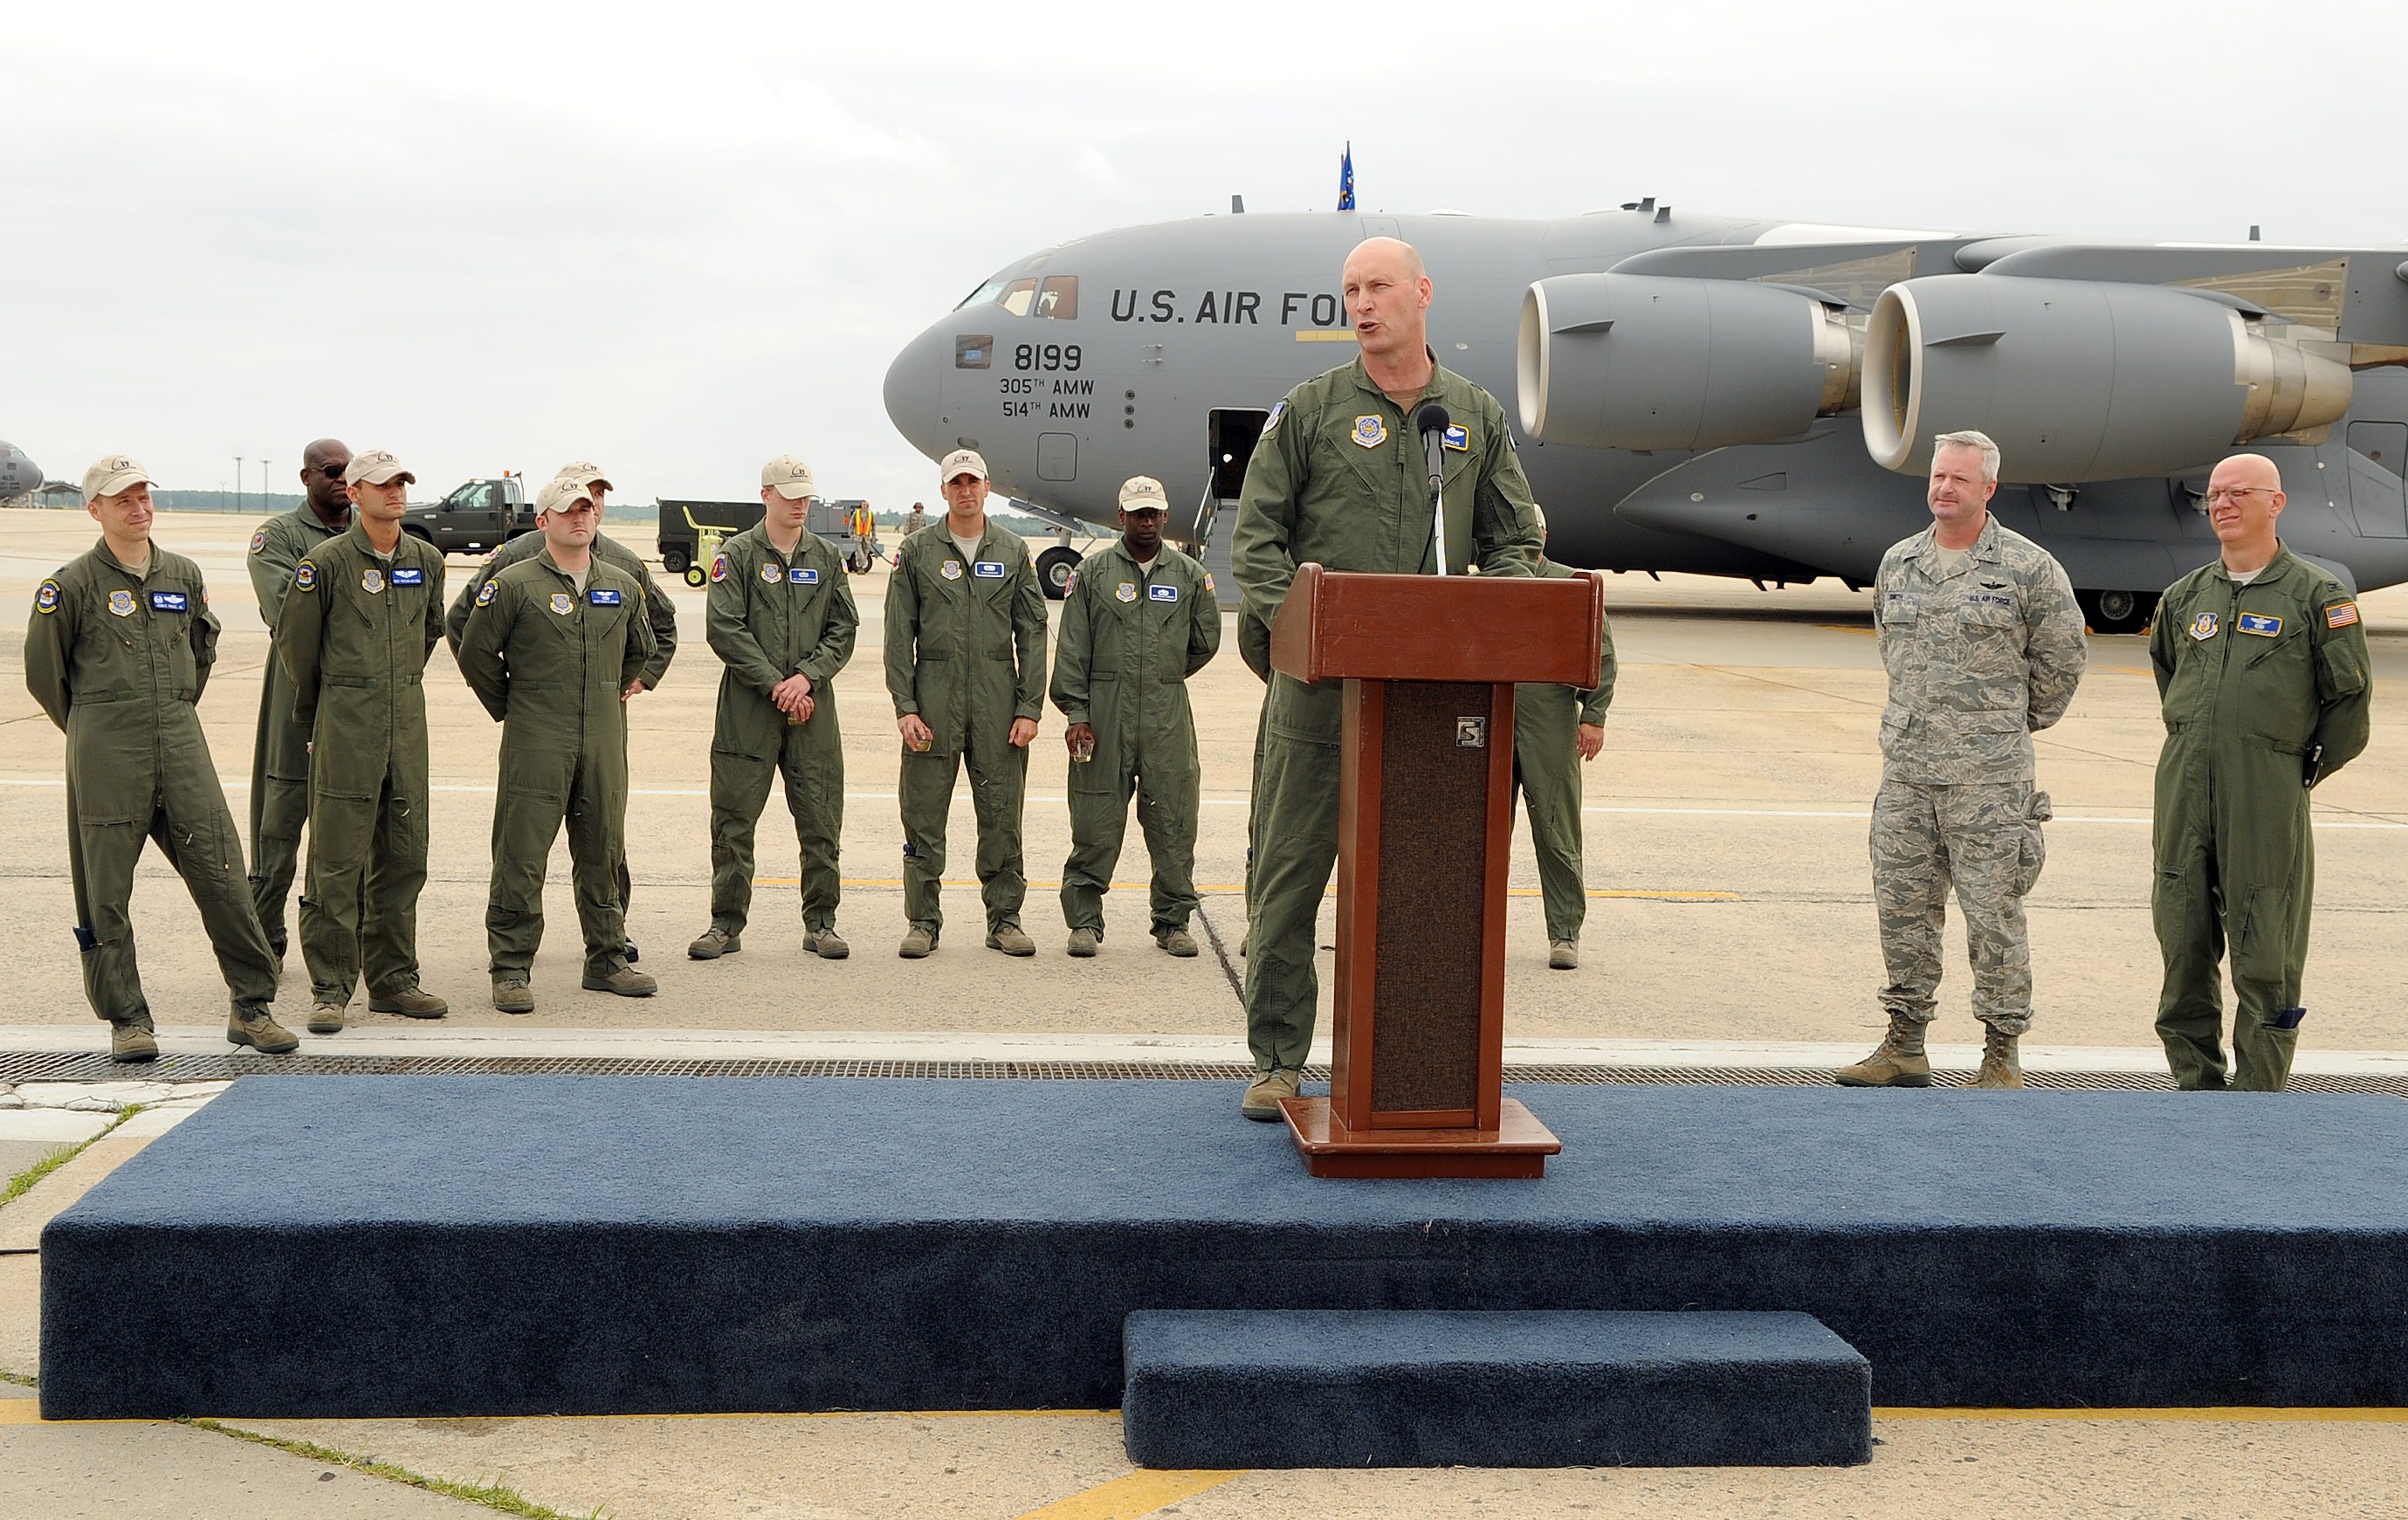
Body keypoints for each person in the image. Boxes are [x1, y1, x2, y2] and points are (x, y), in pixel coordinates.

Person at [1228, 236, 1545, 1120]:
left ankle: (1414, 1065)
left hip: (1428, 709)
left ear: (1422, 293)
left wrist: (1482, 622)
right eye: (1348, 291)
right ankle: (1279, 1062)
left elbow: (1514, 541)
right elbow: (1255, 544)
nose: (1361, 304)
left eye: (1377, 287)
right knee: (1285, 885)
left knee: (1423, 891)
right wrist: (1294, 634)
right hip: (1319, 703)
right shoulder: (1311, 410)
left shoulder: (1471, 414)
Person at [25, 456, 298, 1061]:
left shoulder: (182, 573)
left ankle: (252, 1005)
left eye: (144, 496)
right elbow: (45, 675)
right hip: (104, 746)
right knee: (105, 892)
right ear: (94, 509)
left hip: (178, 737)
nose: (138, 508)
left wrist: (170, 708)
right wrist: (96, 724)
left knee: (223, 875)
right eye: (123, 499)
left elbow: (203, 645)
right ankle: (127, 1019)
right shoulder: (67, 586)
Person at [1839, 430, 2086, 1090]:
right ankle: (1904, 1043)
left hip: (1989, 781)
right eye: (1938, 476)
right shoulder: (1900, 562)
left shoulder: (2027, 566)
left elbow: (2063, 661)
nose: (1944, 488)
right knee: (1902, 909)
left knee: (1993, 915)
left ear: (1988, 490)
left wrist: (2000, 727)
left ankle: (2001, 1052)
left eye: (1959, 479)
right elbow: (1891, 647)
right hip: (1908, 773)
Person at [2150, 452, 2372, 1091]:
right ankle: (2195, 1084)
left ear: (2276, 503)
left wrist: (2288, 769)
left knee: (2266, 950)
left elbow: (2349, 708)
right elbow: (2172, 677)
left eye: (2238, 492)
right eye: (2215, 494)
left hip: (2267, 795)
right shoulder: (2185, 597)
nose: (2221, 503)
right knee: (2182, 940)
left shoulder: (2317, 598)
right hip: (2184, 791)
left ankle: (2256, 1104)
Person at [444, 460, 677, 964]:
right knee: (521, 855)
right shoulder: (514, 574)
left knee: (602, 850)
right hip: (537, 733)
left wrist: (621, 684)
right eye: (570, 505)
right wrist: (513, 702)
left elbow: (647, 638)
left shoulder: (622, 573)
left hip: (602, 733)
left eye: (591, 504)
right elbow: (471, 643)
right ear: (543, 518)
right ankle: (510, 965)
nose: (583, 513)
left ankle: (608, 956)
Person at [272, 448, 451, 1030]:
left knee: (404, 855)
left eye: (401, 481)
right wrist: (331, 713)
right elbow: (299, 652)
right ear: (354, 493)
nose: (395, 491)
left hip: (406, 724)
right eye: (382, 484)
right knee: (335, 862)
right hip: (345, 724)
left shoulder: (425, 559)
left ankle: (395, 979)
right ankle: (330, 986)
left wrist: (393, 687)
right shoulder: (323, 564)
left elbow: (429, 631)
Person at [689, 456, 858, 961]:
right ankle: (725, 924)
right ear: (766, 495)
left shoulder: (826, 558)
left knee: (821, 820)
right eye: (790, 495)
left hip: (812, 708)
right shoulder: (736, 556)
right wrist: (774, 684)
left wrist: (806, 678)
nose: (801, 504)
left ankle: (822, 923)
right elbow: (724, 627)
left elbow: (844, 628)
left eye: (806, 494)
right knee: (734, 820)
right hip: (748, 708)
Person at [1050, 475, 1222, 958]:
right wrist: (1078, 713)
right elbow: (1072, 649)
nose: (1146, 521)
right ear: (1120, 516)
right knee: (1095, 818)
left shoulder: (1189, 575)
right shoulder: (1092, 574)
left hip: (1167, 715)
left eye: (1154, 513)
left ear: (1165, 516)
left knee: (1173, 819)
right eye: (1137, 513)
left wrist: (1164, 675)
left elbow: (1205, 641)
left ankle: (1173, 922)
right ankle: (1084, 921)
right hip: (1104, 716)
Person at [884, 449, 1047, 958]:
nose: (965, 490)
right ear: (943, 490)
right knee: (923, 815)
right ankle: (923, 922)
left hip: (999, 702)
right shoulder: (917, 552)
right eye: (956, 483)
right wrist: (905, 706)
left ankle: (1005, 920)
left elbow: (1034, 632)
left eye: (972, 481)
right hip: (933, 699)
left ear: (987, 486)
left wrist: (1029, 707)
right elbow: (897, 634)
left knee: (1001, 814)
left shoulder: (1015, 550)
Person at [245, 437, 353, 966]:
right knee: (280, 816)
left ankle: (344, 943)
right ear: (306, 477)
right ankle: (264, 942)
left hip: (357, 691)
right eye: (331, 470)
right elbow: (289, 608)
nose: (341, 478)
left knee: (354, 821)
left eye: (348, 471)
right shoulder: (279, 536)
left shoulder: (369, 529)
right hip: (296, 683)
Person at [1513, 556, 1615, 970]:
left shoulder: (1570, 585)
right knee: (1480, 837)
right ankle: (1474, 934)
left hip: (1549, 720)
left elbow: (1601, 652)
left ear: (1544, 538)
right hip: (1489, 715)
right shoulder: (1487, 583)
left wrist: (1594, 716)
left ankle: (1564, 934)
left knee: (1558, 831)